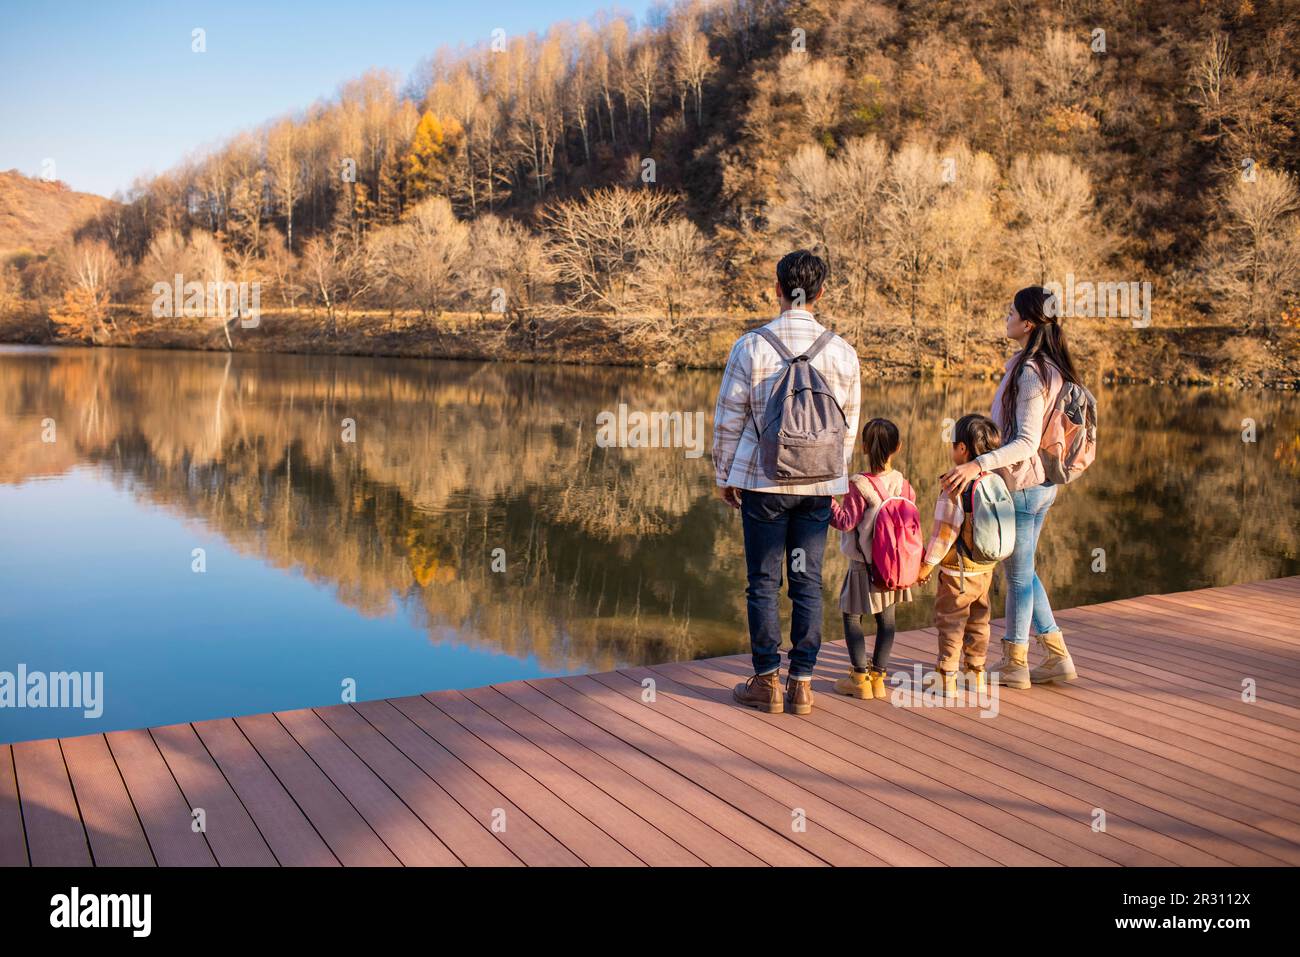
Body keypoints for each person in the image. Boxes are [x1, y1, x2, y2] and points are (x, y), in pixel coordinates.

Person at [713, 250, 861, 715]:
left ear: (777, 289)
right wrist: (835, 479)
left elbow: (729, 418)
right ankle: (802, 683)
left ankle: (765, 682)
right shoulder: (841, 351)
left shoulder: (751, 345)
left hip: (763, 482)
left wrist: (724, 474)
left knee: (762, 582)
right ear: (820, 293)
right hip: (818, 485)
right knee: (807, 582)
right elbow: (848, 427)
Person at [940, 287, 1082, 688]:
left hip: (1022, 485)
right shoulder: (1050, 366)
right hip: (1041, 485)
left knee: (1017, 576)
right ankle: (1056, 656)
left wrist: (976, 465)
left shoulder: (1032, 372)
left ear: (1028, 323)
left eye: (1012, 312)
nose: (1007, 317)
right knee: (1024, 570)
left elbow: (1025, 442)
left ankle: (1015, 661)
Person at [828, 418, 914, 700]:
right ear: (897, 447)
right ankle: (879, 677)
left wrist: (826, 498)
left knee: (852, 617)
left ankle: (859, 678)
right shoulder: (903, 484)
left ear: (863, 447)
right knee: (886, 621)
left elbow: (844, 522)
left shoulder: (859, 485)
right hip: (895, 567)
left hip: (862, 567)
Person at [918, 414, 1003, 697]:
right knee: (980, 620)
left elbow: (945, 533)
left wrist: (927, 565)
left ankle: (946, 676)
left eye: (953, 445)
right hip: (985, 567)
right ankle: (975, 673)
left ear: (963, 449)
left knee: (951, 622)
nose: (951, 449)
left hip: (957, 571)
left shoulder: (954, 484)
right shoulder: (994, 480)